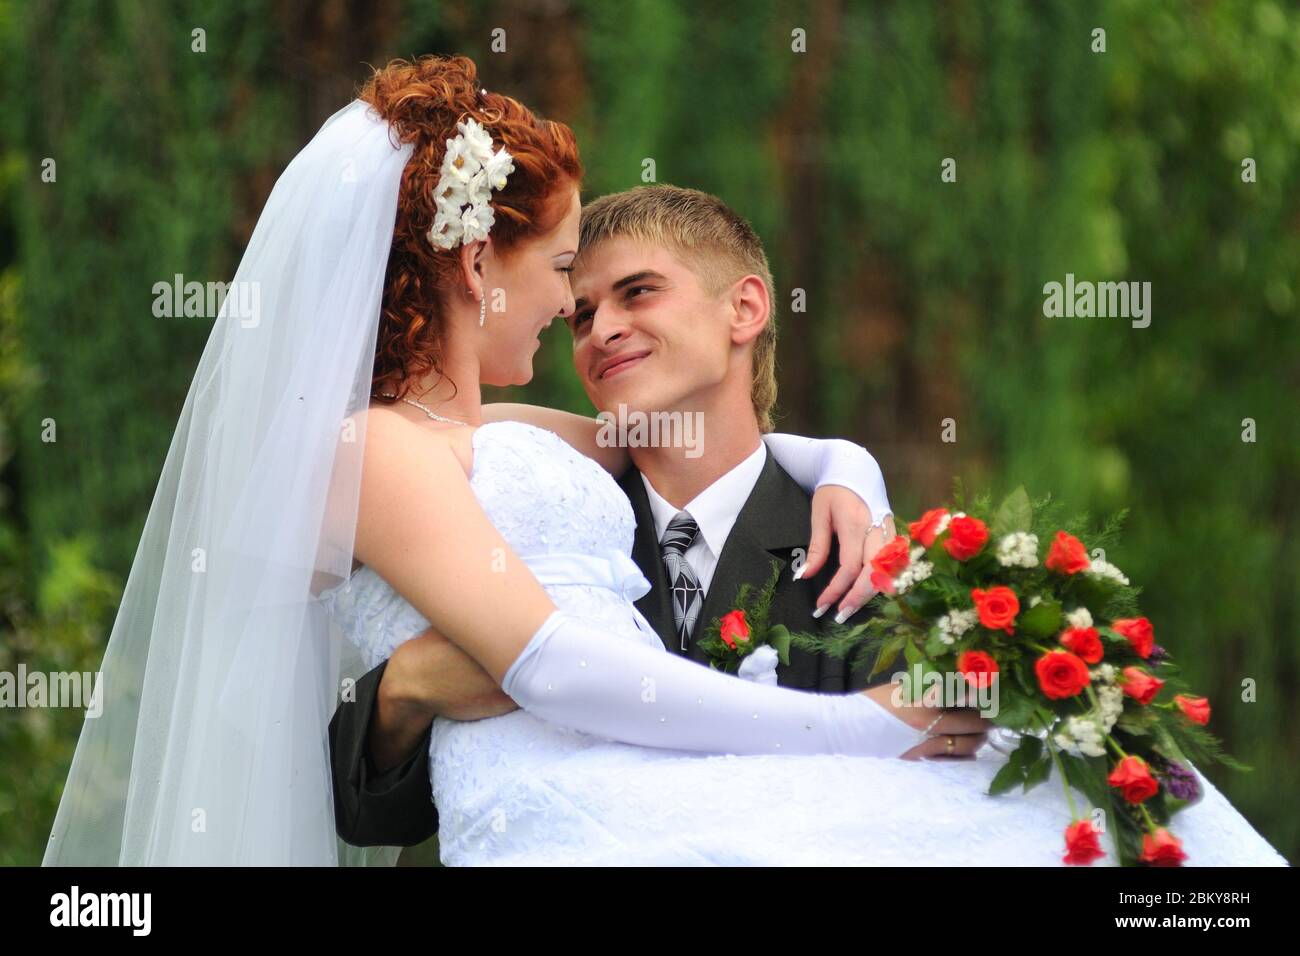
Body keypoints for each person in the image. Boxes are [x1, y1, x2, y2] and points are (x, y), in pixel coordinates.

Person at [44, 55, 1287, 867]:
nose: (577, 315)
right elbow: (549, 666)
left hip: (655, 776)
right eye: (564, 277)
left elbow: (684, 443)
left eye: (617, 283)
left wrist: (847, 461)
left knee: (1104, 806)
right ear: (477, 263)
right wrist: (862, 727)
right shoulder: (367, 448)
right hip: (579, 808)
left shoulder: (498, 439)